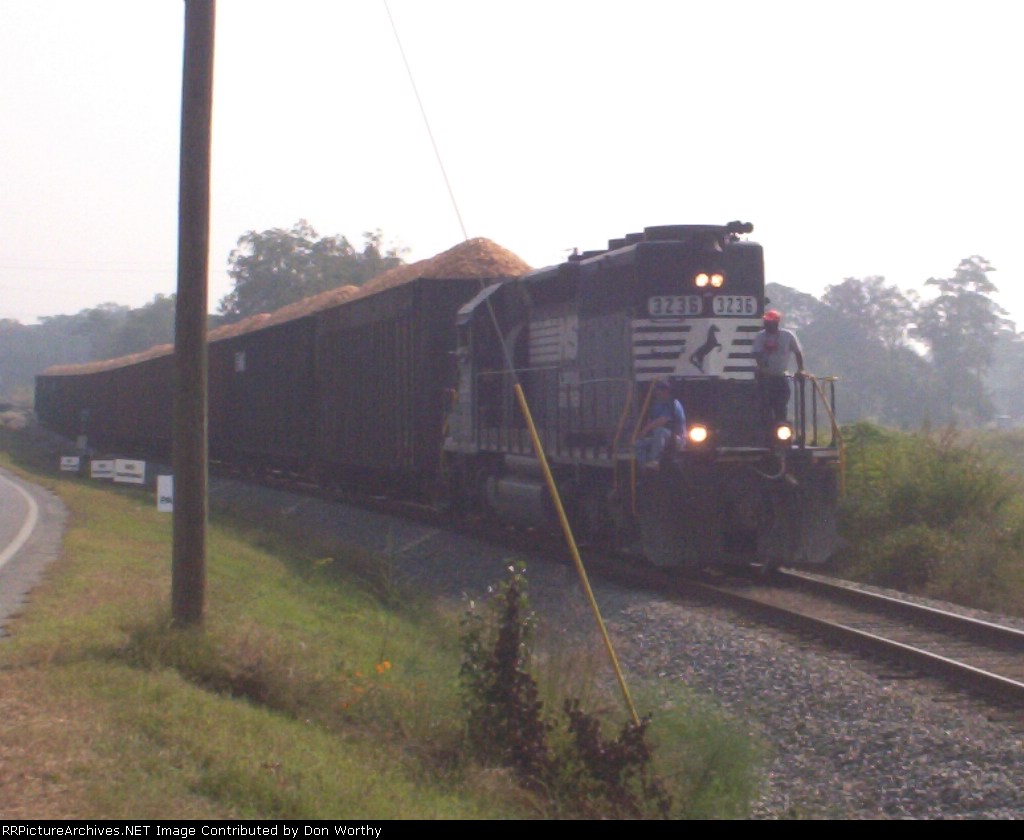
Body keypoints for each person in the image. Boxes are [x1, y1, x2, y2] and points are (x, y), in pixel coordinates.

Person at [751, 309, 804, 426]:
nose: (766, 324)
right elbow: (756, 353)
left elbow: (798, 352)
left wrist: (801, 369)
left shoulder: (787, 335)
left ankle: (780, 430)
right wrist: (762, 366)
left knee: (781, 405)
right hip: (764, 378)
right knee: (765, 405)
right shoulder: (761, 336)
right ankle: (765, 430)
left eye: (769, 322)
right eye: (765, 321)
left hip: (781, 377)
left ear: (776, 323)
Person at [634, 380, 685, 468]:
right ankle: (645, 470)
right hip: (660, 439)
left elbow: (662, 420)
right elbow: (651, 419)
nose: (656, 393)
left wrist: (644, 431)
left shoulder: (673, 403)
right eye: (656, 390)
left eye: (659, 390)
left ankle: (655, 460)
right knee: (638, 444)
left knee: (659, 430)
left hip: (676, 439)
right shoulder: (657, 404)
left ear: (666, 391)